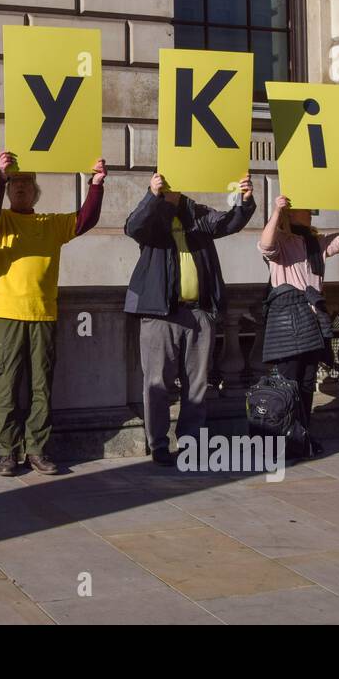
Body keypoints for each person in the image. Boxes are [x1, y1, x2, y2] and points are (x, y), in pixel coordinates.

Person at [0, 151, 106, 477]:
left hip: (43, 314)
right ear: (9, 192)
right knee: (6, 386)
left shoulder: (50, 223)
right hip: (7, 314)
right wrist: (0, 176)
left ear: (36, 193)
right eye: (16, 185)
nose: (21, 188)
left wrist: (95, 184)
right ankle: (7, 453)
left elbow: (85, 220)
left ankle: (36, 449)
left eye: (27, 184)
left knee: (42, 387)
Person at [123, 171, 255, 465]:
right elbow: (133, 227)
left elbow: (228, 223)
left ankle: (191, 442)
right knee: (157, 383)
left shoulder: (196, 213)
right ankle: (158, 443)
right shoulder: (153, 215)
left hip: (198, 312)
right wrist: (153, 195)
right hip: (160, 313)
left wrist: (244, 202)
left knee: (197, 383)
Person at [257, 189, 339, 457]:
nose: (310, 211)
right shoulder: (282, 240)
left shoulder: (315, 243)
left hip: (313, 320)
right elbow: (265, 245)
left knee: (306, 383)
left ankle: (301, 434)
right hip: (288, 320)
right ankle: (282, 438)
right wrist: (275, 212)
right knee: (288, 383)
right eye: (304, 208)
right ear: (291, 213)